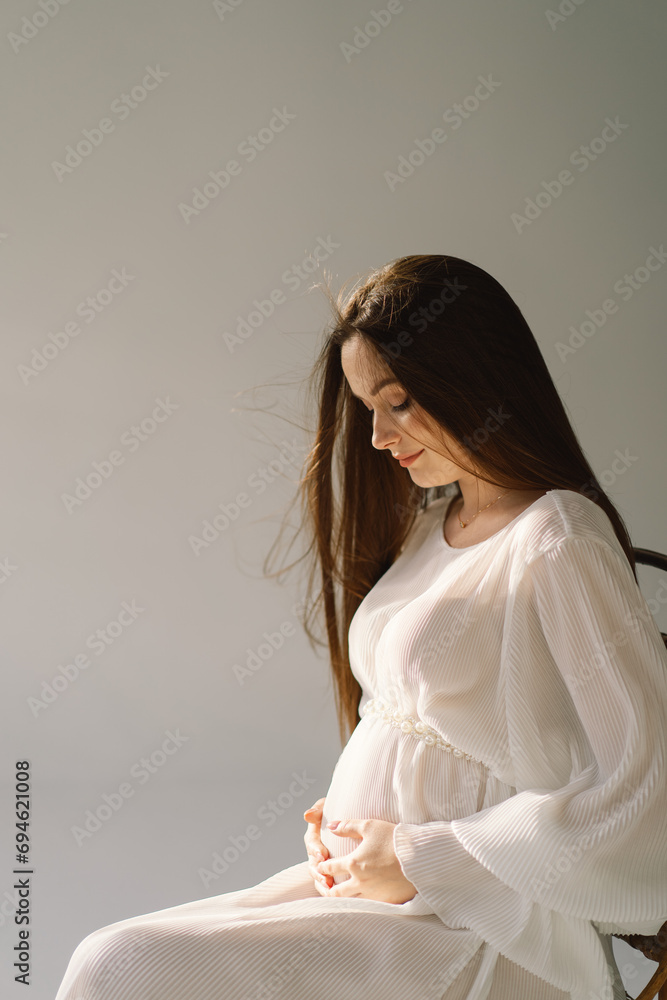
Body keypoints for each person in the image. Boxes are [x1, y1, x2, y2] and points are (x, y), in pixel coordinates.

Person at [54, 255, 667, 1000]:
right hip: (376, 898)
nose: (377, 436)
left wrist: (418, 855)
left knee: (118, 967)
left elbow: (646, 785)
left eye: (398, 401)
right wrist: (351, 826)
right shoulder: (430, 527)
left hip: (480, 926)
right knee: (108, 963)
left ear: (476, 379)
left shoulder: (557, 536)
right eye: (367, 407)